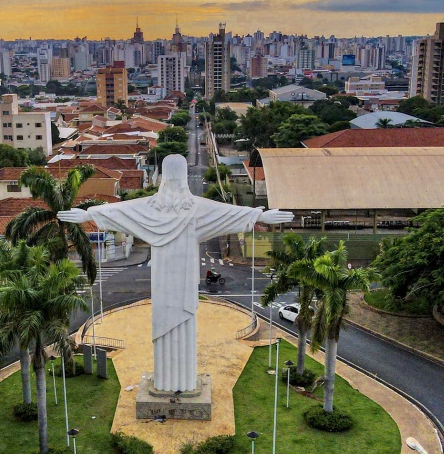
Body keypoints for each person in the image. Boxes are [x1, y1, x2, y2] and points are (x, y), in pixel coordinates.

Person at [59, 154, 291, 393]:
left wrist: (259, 216)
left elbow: (226, 213)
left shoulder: (177, 209)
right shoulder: (167, 208)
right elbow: (120, 211)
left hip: (182, 282)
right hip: (164, 285)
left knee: (183, 326)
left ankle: (181, 382)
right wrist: (88, 215)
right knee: (165, 324)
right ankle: (167, 382)